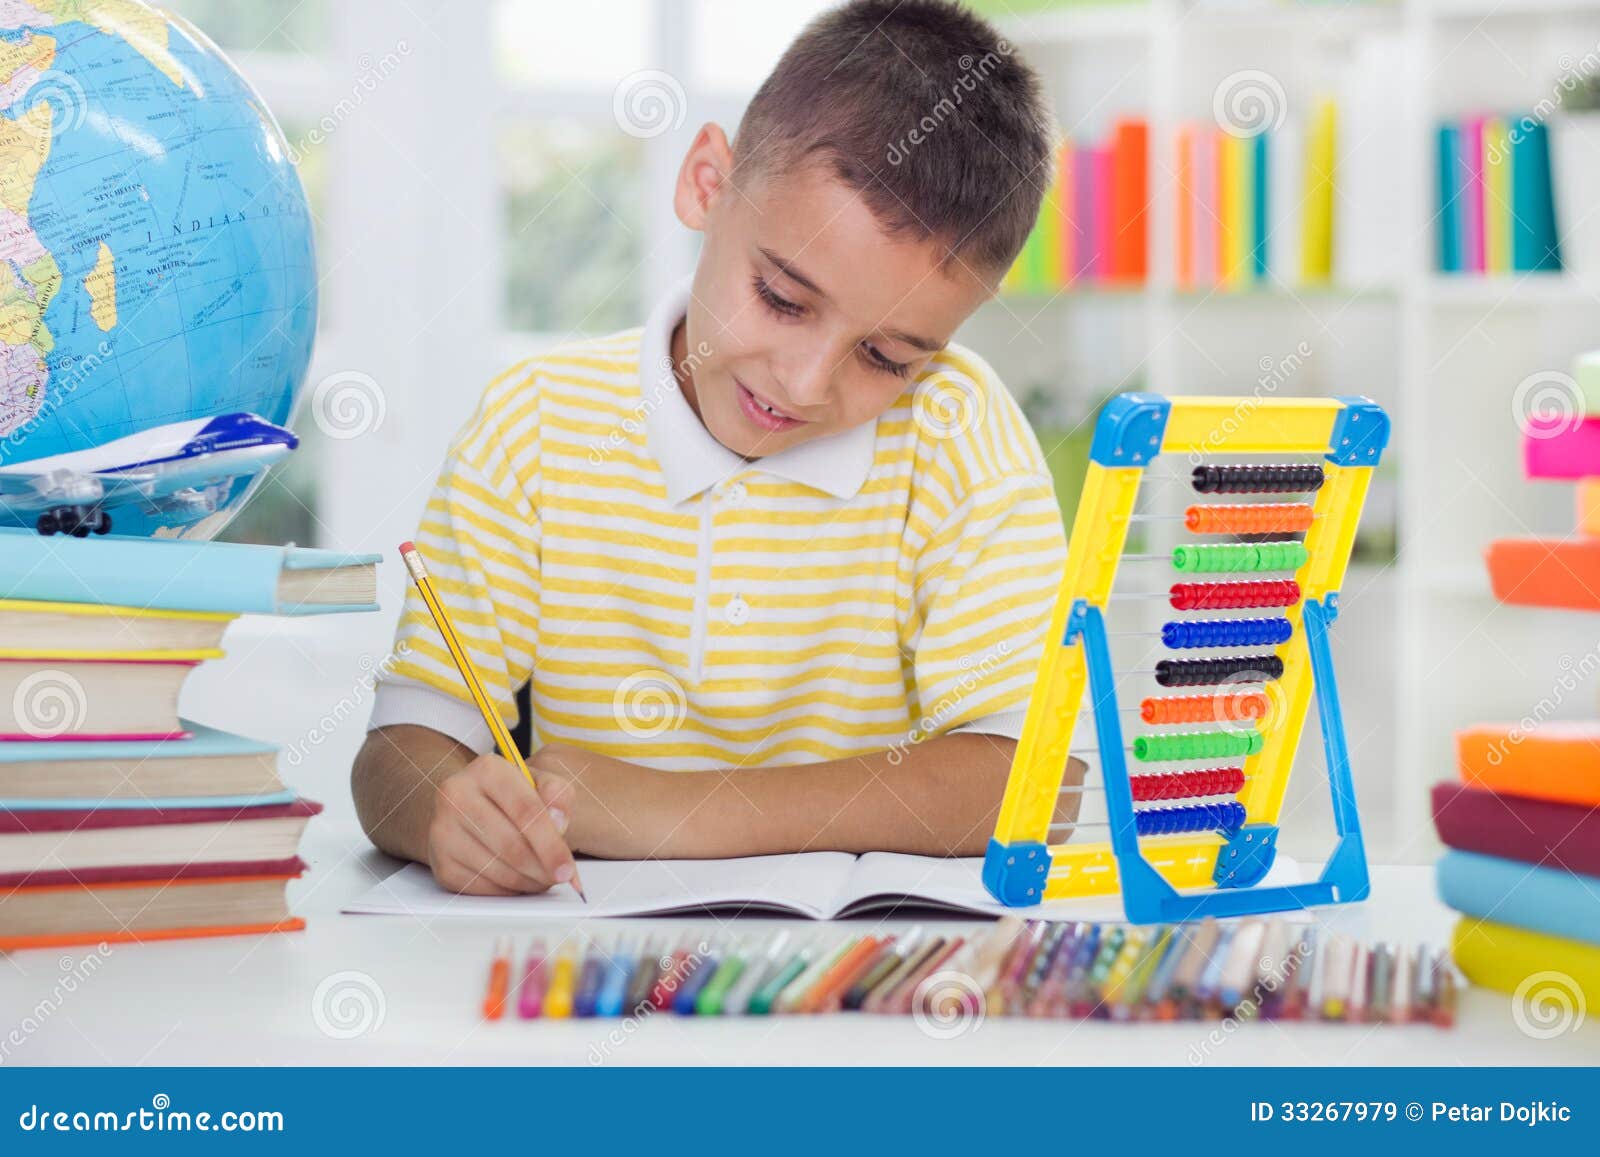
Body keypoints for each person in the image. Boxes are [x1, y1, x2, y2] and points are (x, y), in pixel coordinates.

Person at [353, 0, 1078, 896]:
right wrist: (443, 812)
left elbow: (1038, 782)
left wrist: (680, 809)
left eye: (886, 356)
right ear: (706, 183)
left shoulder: (959, 434)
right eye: (781, 297)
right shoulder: (536, 423)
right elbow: (399, 751)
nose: (806, 383)